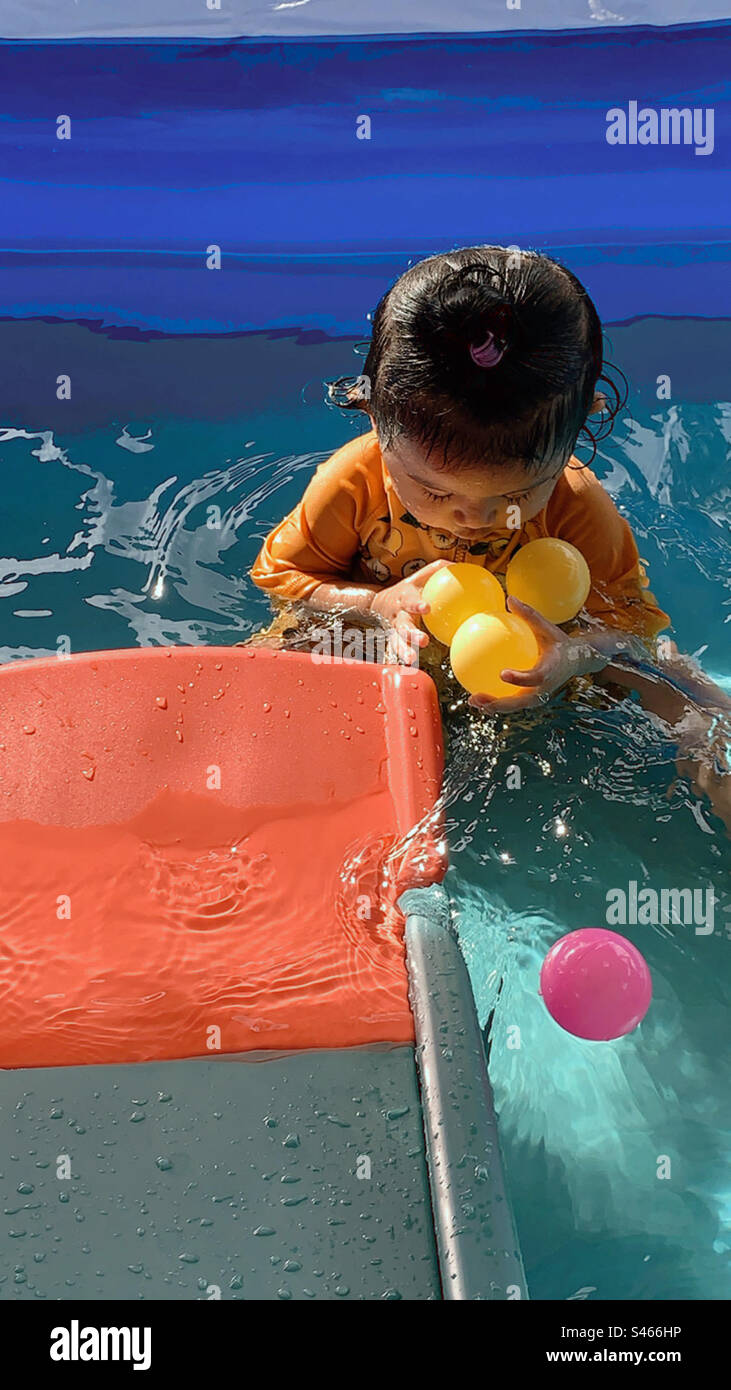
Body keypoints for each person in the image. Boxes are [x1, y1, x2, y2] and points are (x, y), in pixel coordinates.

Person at [251, 247, 731, 827]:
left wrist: (573, 656)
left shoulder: (577, 505)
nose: (473, 517)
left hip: (535, 678)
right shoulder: (352, 482)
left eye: (514, 497)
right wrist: (372, 605)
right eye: (433, 492)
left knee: (692, 705)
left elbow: (631, 627)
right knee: (266, 665)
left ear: (583, 425)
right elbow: (283, 580)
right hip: (383, 652)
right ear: (373, 413)